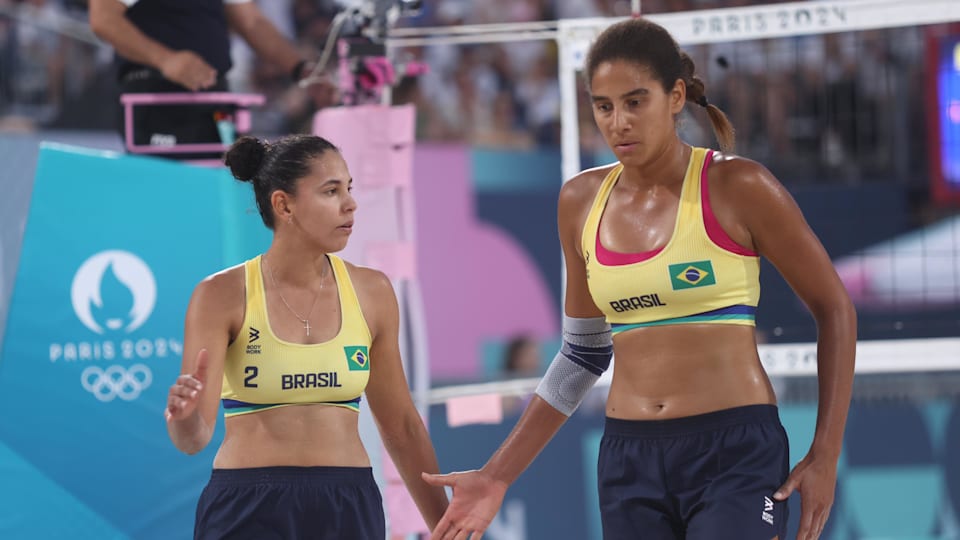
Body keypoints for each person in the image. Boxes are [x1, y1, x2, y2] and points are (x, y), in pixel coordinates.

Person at [423, 17, 856, 540]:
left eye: (634, 102)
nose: (618, 122)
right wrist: (496, 476)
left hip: (734, 452)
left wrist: (825, 452)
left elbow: (835, 308)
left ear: (675, 96)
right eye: (603, 106)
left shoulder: (739, 185)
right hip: (629, 459)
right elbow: (583, 353)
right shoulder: (580, 201)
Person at [163, 134, 448, 539]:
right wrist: (183, 418)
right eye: (331, 191)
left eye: (349, 188)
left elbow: (402, 427)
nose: (350, 204)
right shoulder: (221, 294)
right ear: (284, 205)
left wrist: (449, 528)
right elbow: (193, 438)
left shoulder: (373, 292)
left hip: (347, 505)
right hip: (247, 508)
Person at [88, 0, 333, 155]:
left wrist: (301, 69)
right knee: (168, 195)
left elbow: (252, 22)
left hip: (214, 99)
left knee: (232, 191)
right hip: (156, 99)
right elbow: (103, 18)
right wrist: (166, 60)